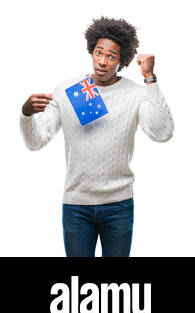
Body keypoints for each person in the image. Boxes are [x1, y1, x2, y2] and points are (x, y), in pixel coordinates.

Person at [20, 17, 174, 257]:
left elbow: (162, 132)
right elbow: (36, 141)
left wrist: (149, 79)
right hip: (76, 206)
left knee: (115, 291)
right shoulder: (69, 90)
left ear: (121, 61)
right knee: (81, 289)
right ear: (91, 51)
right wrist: (27, 115)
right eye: (98, 53)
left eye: (111, 56)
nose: (102, 62)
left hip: (119, 206)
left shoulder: (135, 94)